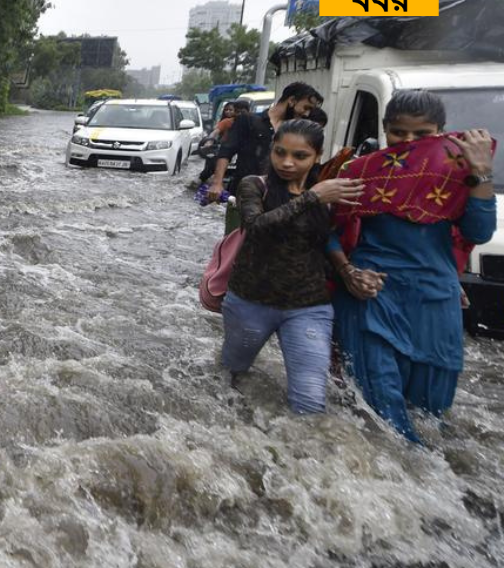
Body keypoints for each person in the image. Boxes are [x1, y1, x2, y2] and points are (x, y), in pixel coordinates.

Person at [327, 90, 497, 443]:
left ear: (441, 131)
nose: (408, 143)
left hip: (435, 300)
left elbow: (478, 232)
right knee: (381, 411)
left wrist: (481, 173)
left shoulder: (459, 175)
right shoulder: (362, 172)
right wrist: (347, 273)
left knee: (430, 410)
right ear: (384, 129)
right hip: (372, 292)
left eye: (422, 135)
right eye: (398, 133)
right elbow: (327, 232)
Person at [222, 120, 364, 414]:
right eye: (280, 152)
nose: (287, 163)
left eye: (300, 156)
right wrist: (312, 198)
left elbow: (330, 239)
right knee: (231, 375)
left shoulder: (328, 192)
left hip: (308, 306)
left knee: (310, 401)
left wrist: (348, 270)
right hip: (250, 301)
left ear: (318, 156)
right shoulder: (255, 185)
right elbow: (256, 226)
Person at [208, 82, 324, 205]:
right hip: (243, 198)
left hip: (280, 201)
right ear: (292, 101)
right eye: (306, 107)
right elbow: (226, 151)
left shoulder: (295, 132)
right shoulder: (248, 121)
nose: (307, 114)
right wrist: (217, 183)